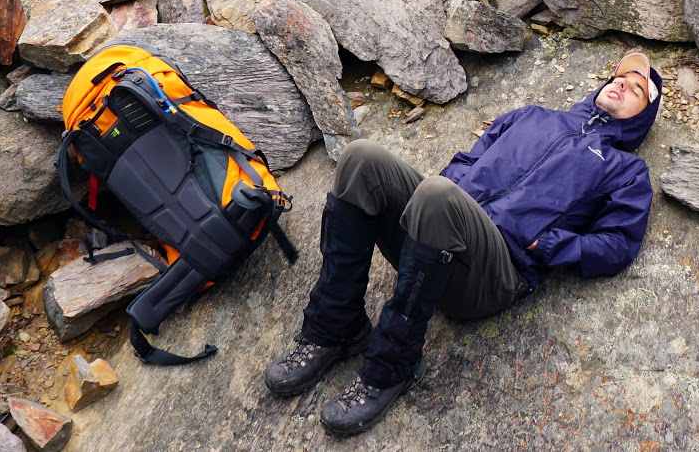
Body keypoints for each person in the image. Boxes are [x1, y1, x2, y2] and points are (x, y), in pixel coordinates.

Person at [265, 50, 663, 437]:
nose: (621, 86)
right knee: (360, 158)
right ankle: (335, 328)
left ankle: (391, 367)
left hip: (493, 272)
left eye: (635, 89)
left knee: (437, 194)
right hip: (435, 237)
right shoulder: (534, 116)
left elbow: (618, 244)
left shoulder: (626, 171)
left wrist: (550, 245)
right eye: (618, 78)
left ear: (643, 115)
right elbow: (469, 162)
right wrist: (423, 210)